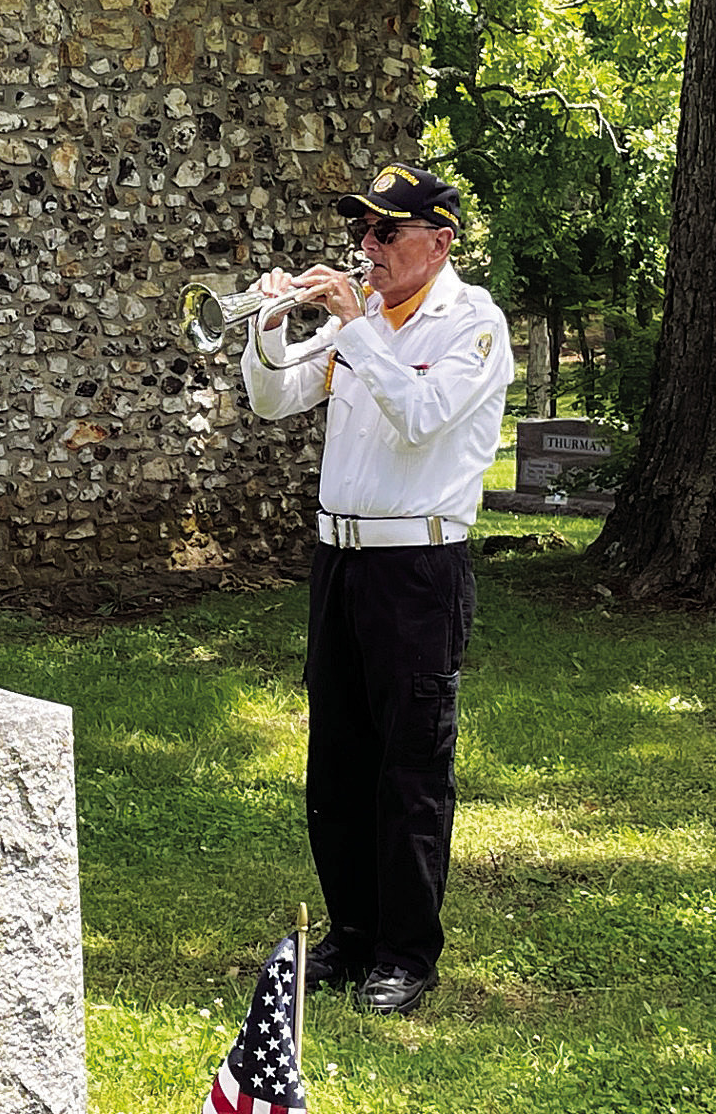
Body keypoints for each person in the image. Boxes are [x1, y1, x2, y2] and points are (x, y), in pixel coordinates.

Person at [240, 161, 513, 1016]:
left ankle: (406, 951)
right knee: (340, 762)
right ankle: (352, 933)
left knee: (411, 767)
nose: (369, 247)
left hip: (418, 568)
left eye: (386, 232)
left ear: (440, 240)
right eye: (362, 231)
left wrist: (358, 328)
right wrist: (267, 325)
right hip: (341, 561)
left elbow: (423, 416)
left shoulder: (473, 324)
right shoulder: (360, 324)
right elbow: (273, 400)